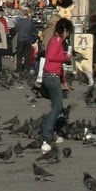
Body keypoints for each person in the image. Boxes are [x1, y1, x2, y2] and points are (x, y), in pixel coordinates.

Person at [40, 17, 73, 152]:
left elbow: (59, 66)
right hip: (51, 77)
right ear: (64, 30)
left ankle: (50, 132)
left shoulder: (55, 40)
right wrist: (66, 57)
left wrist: (64, 81)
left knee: (56, 105)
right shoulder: (57, 41)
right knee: (58, 107)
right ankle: (47, 134)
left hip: (52, 76)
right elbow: (51, 57)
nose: (68, 35)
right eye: (68, 32)